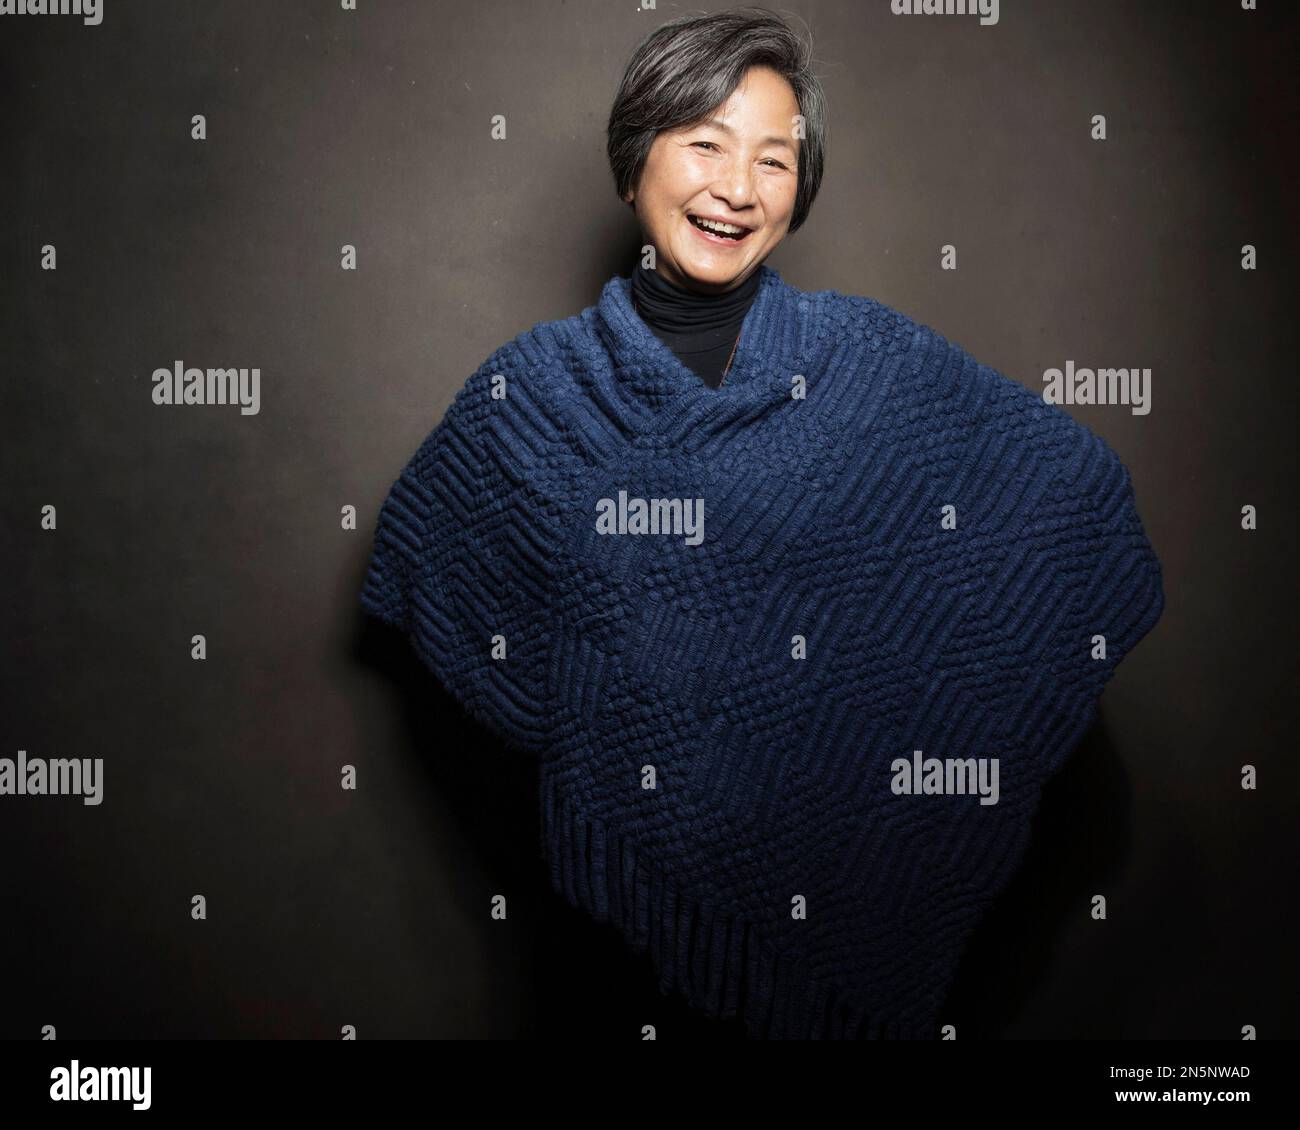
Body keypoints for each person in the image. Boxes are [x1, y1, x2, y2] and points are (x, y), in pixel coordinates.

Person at [360, 7, 1164, 1039]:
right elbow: (455, 598)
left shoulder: (870, 360)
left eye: (774, 160)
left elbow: (1075, 507)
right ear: (634, 157)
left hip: (840, 897)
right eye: (705, 144)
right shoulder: (527, 397)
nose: (737, 189)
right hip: (621, 946)